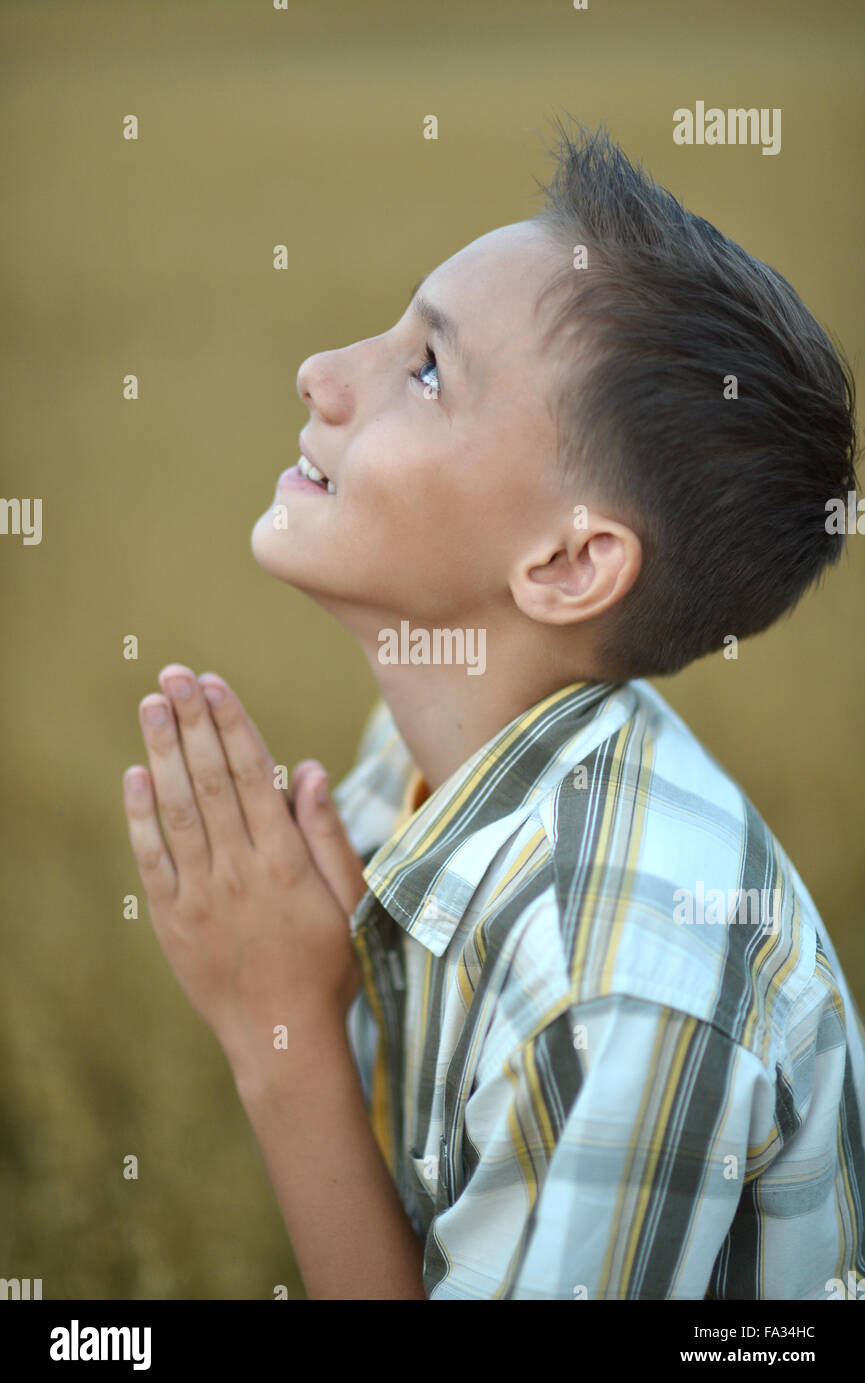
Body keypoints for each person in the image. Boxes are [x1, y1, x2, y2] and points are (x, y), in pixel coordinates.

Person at [122, 121, 865, 1299]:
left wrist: (282, 1037)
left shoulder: (623, 990)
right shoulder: (426, 749)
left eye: (426, 370)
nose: (322, 369)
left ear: (569, 567)